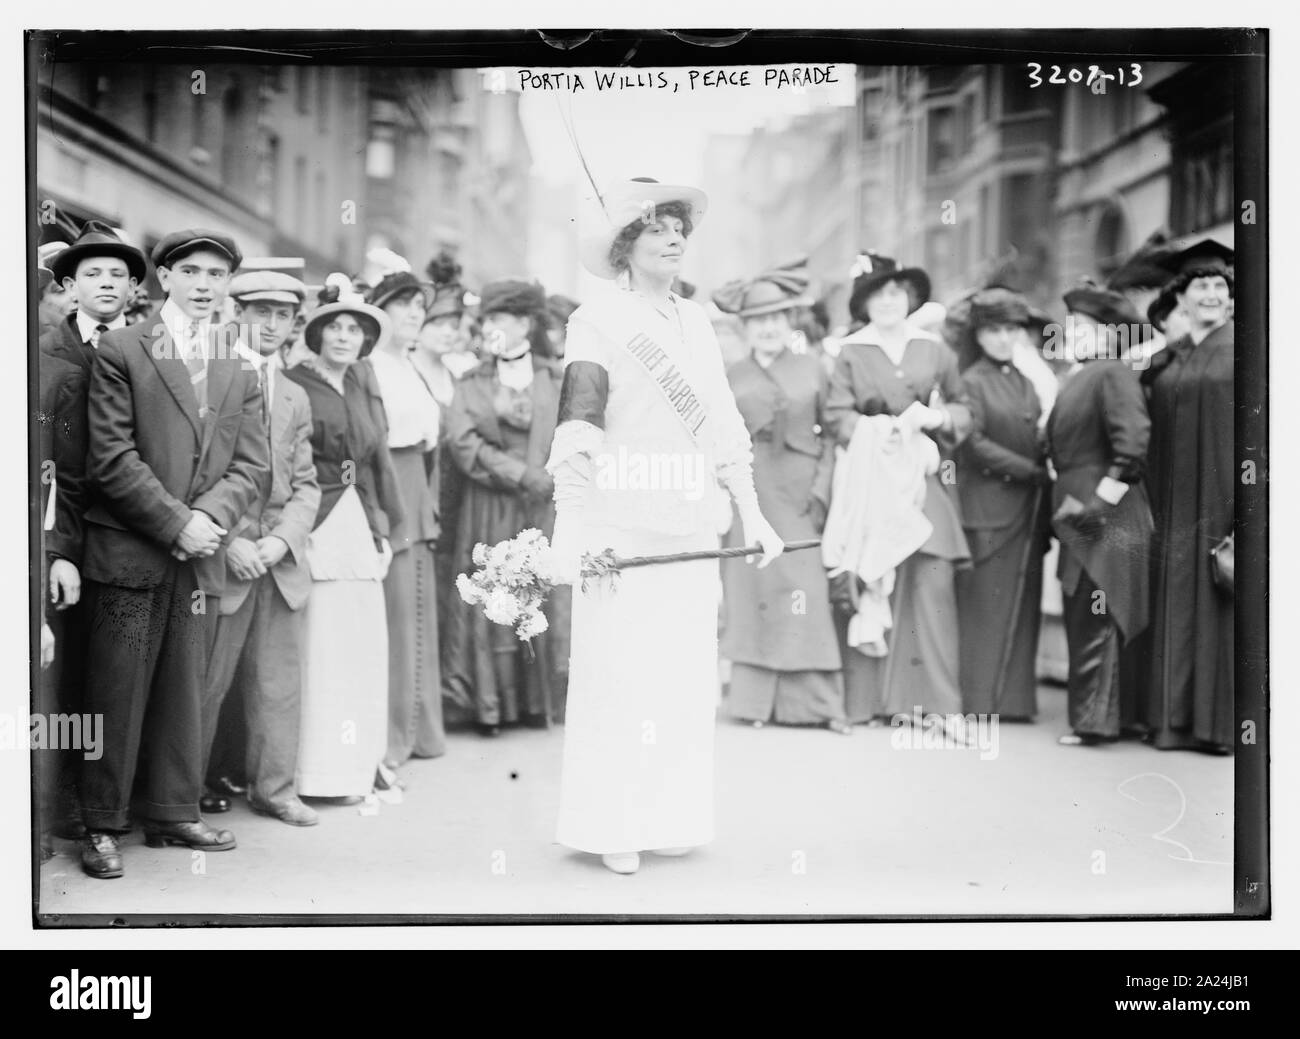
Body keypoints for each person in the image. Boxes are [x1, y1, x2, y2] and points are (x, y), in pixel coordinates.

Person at [543, 176, 783, 875]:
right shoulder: (595, 321)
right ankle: (611, 822)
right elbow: (578, 427)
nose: (676, 237)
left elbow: (726, 427)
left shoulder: (699, 321)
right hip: (622, 527)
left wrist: (754, 514)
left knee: (680, 679)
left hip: (690, 527)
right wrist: (568, 531)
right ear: (626, 244)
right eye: (657, 227)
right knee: (619, 678)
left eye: (680, 226)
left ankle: (670, 814)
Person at [78, 229, 267, 879]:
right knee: (116, 689)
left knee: (181, 687)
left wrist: (210, 518)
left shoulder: (238, 361)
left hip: (196, 550)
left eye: (218, 274)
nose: (206, 284)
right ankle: (101, 823)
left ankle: (170, 811)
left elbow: (252, 464)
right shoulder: (123, 346)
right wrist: (175, 521)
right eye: (192, 270)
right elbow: (109, 457)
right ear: (162, 277)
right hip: (130, 546)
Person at [823, 253, 971, 733]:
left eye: (895, 291)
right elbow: (836, 414)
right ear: (864, 302)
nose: (887, 300)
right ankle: (869, 704)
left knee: (933, 584)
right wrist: (871, 430)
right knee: (872, 577)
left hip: (922, 478)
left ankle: (940, 709)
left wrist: (939, 419)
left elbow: (965, 407)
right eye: (876, 293)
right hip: (872, 477)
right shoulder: (851, 351)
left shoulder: (934, 349)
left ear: (908, 297)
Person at [38, 220, 148, 849]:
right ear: (70, 285)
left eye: (118, 274)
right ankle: (53, 804)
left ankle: (103, 800)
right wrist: (55, 549)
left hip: (124, 534)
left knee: (113, 674)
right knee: (60, 670)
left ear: (134, 288)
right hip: (59, 532)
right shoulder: (43, 354)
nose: (106, 283)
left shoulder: (142, 351)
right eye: (92, 273)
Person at [199, 271, 322, 826]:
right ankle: (184, 793)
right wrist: (231, 542)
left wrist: (281, 539)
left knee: (279, 684)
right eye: (261, 312)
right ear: (238, 314)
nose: (272, 324)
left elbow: (307, 482)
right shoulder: (207, 377)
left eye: (283, 315)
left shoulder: (294, 392)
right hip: (223, 558)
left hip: (278, 560)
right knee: (207, 683)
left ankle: (274, 789)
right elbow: (193, 474)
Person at [711, 258, 848, 733]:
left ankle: (815, 707)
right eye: (757, 321)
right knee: (753, 592)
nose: (767, 329)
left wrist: (822, 489)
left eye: (775, 319)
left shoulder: (814, 368)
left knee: (804, 592)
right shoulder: (729, 374)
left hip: (801, 494)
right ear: (745, 327)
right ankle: (753, 706)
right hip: (748, 494)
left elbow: (833, 433)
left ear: (790, 322)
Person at [283, 287, 404, 799]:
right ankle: (319, 771)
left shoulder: (359, 386)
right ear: (316, 334)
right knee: (323, 649)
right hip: (318, 522)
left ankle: (359, 763)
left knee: (361, 649)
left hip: (359, 527)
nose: (344, 336)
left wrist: (381, 529)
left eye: (355, 330)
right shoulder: (294, 384)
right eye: (335, 326)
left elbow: (373, 465)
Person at [443, 279, 567, 734]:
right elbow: (463, 442)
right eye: (486, 320)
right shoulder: (471, 380)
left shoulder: (556, 376)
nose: (490, 328)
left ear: (526, 323)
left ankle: (537, 702)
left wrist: (547, 475)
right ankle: (491, 707)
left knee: (536, 592)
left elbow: (575, 433)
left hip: (541, 505)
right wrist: (518, 474)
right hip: (490, 502)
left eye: (500, 319)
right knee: (492, 592)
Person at [1046, 282, 1153, 746]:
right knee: (1090, 610)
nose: (1076, 334)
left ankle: (1096, 722)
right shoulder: (1084, 374)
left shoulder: (1111, 373)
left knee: (1099, 613)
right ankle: (1100, 717)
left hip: (1104, 514)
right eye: (1073, 327)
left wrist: (1100, 503)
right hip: (1082, 511)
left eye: (1086, 328)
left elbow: (1132, 446)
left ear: (1111, 335)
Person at [1142, 240, 1235, 753]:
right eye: (1200, 285)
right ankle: (1173, 722)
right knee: (1176, 602)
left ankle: (1215, 728)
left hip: (1224, 498)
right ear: (1181, 295)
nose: (1211, 294)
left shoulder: (1247, 344)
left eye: (1219, 285)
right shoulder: (1170, 355)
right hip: (1173, 501)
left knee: (1217, 596)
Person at [954, 288, 1056, 720]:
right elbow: (972, 443)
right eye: (993, 330)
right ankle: (980, 701)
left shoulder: (1024, 379)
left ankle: (1014, 702)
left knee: (1022, 602)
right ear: (978, 335)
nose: (1002, 338)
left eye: (1010, 329)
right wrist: (1028, 469)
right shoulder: (970, 382)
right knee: (986, 608)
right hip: (989, 509)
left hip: (1027, 511)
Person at [366, 269, 446, 774]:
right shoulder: (369, 365)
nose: (415, 313)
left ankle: (420, 729)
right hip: (389, 484)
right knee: (395, 612)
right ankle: (392, 733)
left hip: (419, 484)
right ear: (381, 311)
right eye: (404, 305)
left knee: (417, 609)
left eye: (420, 305)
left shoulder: (410, 365)